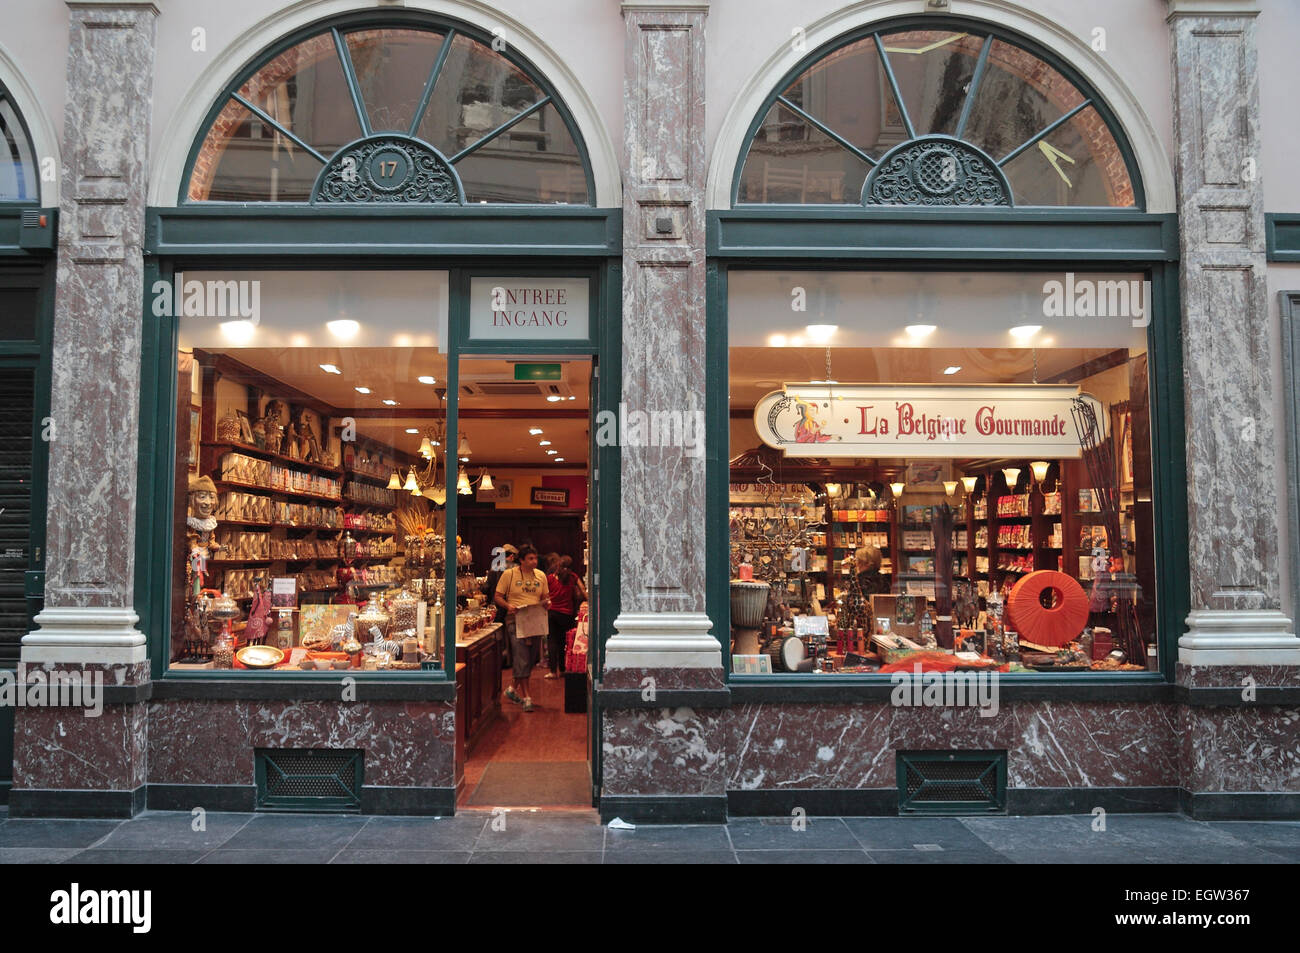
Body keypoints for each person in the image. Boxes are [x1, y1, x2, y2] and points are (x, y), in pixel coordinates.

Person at [494, 544, 550, 712]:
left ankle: (512, 689)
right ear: (521, 560)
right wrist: (508, 606)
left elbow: (545, 597)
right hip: (515, 619)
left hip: (535, 619)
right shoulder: (509, 574)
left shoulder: (541, 575)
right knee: (521, 657)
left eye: (535, 558)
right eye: (530, 559)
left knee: (530, 658)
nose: (534, 561)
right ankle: (527, 697)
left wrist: (547, 603)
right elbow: (497, 596)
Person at [545, 555, 587, 679]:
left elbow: (544, 593)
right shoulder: (573, 577)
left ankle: (553, 671)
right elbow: (583, 591)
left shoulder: (550, 578)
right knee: (564, 642)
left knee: (552, 641)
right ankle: (563, 669)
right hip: (567, 614)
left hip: (552, 613)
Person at [838, 544, 888, 630]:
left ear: (866, 563)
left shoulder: (859, 581)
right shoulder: (884, 580)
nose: (857, 564)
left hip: (862, 626)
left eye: (858, 561)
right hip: (882, 623)